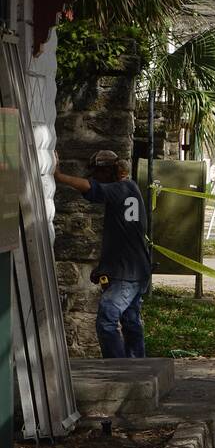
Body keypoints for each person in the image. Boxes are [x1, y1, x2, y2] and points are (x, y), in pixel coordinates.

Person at [55, 149, 151, 359]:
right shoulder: (130, 189)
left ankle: (117, 367)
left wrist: (59, 176)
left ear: (107, 171)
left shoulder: (119, 189)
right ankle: (136, 365)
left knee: (107, 320)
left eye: (97, 173)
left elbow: (89, 188)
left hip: (127, 274)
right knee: (130, 320)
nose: (94, 177)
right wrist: (104, 268)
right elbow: (121, 239)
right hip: (134, 269)